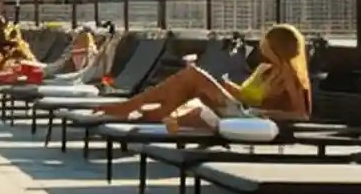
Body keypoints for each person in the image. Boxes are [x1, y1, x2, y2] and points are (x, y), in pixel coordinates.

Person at [95, 24, 311, 130]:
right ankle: (148, 116)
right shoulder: (266, 69)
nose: (262, 45)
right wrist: (228, 87)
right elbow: (246, 96)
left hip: (256, 122)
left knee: (193, 76)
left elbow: (301, 115)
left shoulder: (291, 76)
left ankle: (130, 107)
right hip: (242, 112)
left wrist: (261, 112)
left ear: (276, 46)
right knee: (193, 102)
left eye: (267, 42)